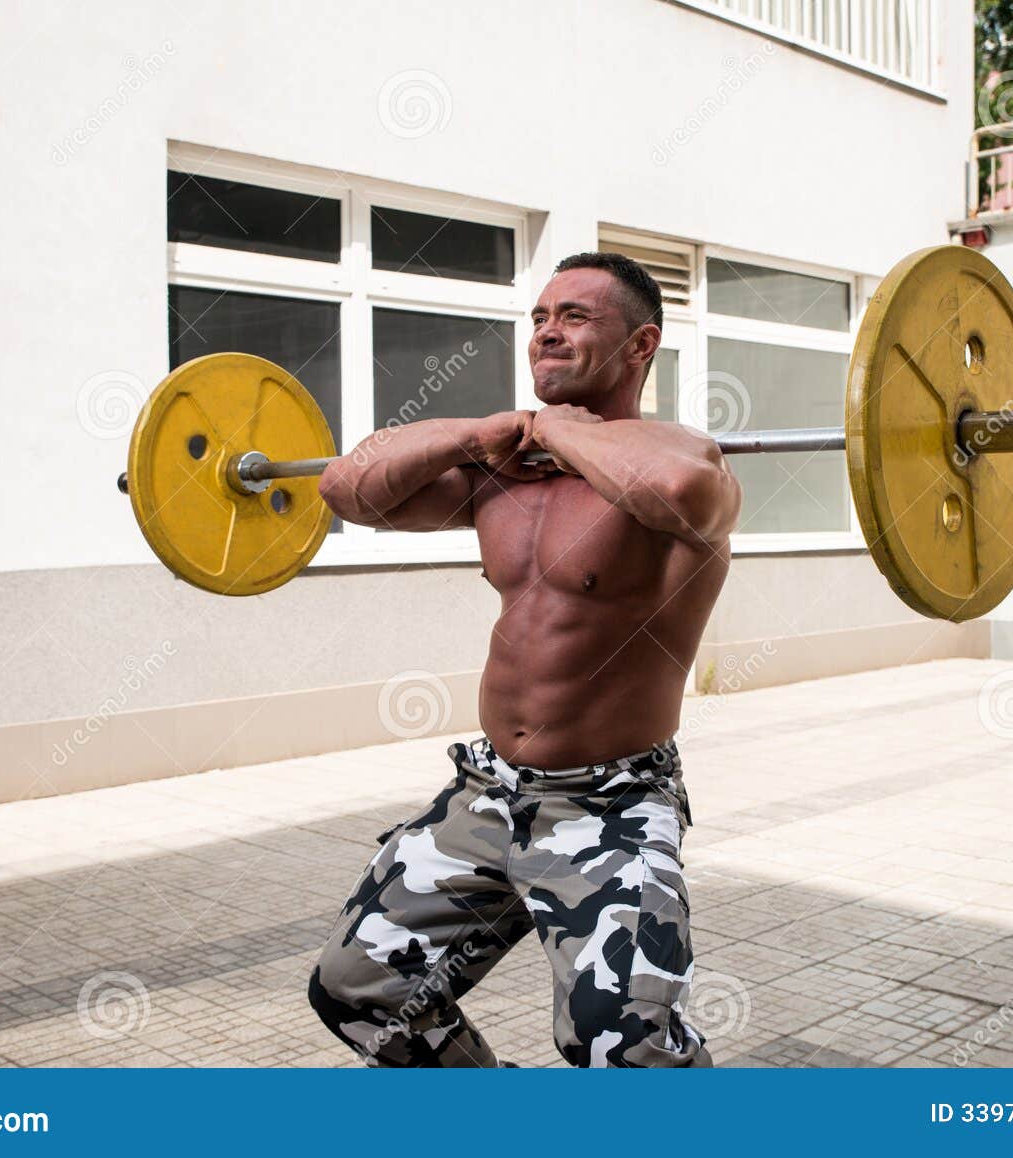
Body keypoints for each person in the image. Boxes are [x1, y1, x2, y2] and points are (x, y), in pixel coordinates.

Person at [308, 251, 741, 1067]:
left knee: (625, 1048)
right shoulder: (504, 473)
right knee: (358, 988)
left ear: (642, 344)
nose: (546, 332)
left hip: (607, 803)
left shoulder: (683, 458)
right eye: (539, 317)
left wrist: (574, 433)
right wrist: (476, 435)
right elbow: (346, 489)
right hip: (488, 791)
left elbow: (685, 495)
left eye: (574, 317)